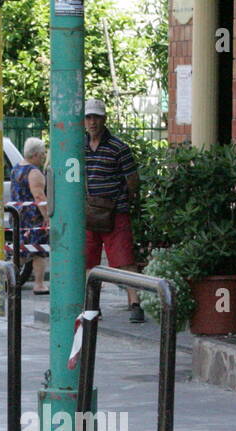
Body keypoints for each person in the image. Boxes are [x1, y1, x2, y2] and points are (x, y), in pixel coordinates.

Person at [83, 98, 143, 322]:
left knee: (124, 259)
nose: (92, 122)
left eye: (96, 117)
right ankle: (92, 304)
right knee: (88, 260)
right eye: (88, 117)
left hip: (115, 211)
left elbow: (133, 180)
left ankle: (134, 302)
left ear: (104, 119)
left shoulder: (119, 148)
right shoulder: (78, 147)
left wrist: (124, 200)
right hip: (89, 211)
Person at [10, 137, 51, 294]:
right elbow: (39, 197)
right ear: (35, 154)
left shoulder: (16, 168)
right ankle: (39, 284)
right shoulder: (34, 172)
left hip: (18, 216)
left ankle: (7, 276)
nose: (43, 157)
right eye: (42, 154)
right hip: (32, 218)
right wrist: (47, 217)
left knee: (21, 250)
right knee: (38, 251)